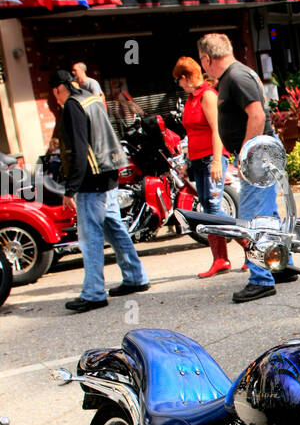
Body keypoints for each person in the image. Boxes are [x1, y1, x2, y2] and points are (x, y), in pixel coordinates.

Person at [197, 32, 294, 303]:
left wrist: (245, 153)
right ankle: (281, 266)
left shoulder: (236, 77)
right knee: (269, 215)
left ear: (206, 59)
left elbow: (257, 114)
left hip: (259, 153)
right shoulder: (237, 74)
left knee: (253, 218)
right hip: (263, 151)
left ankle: (261, 278)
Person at [50, 69, 149, 313]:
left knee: (90, 236)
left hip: (91, 179)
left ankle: (93, 292)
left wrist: (70, 188)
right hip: (110, 172)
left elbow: (80, 148)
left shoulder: (73, 106)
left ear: (57, 90)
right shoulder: (91, 98)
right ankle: (136, 276)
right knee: (114, 228)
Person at [173, 56, 230, 280]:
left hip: (211, 159)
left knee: (214, 209)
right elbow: (192, 133)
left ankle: (247, 243)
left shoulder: (207, 95)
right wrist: (187, 163)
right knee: (208, 209)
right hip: (198, 159)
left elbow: (218, 129)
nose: (178, 84)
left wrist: (217, 160)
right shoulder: (191, 98)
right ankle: (221, 259)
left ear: (185, 78)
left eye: (178, 79)